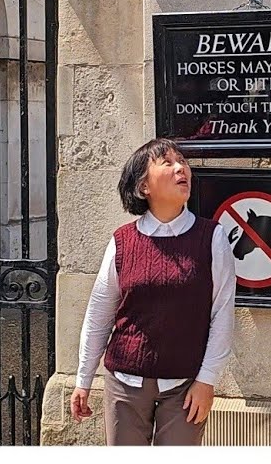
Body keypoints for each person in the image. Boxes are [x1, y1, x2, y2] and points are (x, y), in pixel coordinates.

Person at [70, 138, 237, 445]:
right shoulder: (123, 241)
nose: (180, 168)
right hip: (124, 383)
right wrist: (83, 379)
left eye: (182, 161)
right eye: (168, 162)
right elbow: (100, 314)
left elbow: (222, 313)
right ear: (144, 186)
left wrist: (207, 381)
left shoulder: (212, 238)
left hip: (185, 387)